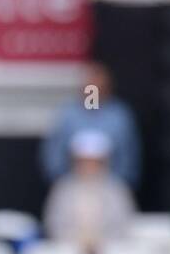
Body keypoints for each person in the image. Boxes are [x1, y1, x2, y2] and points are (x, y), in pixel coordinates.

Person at [40, 61, 142, 190]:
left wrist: (118, 185)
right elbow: (54, 155)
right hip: (72, 186)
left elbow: (128, 157)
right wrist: (63, 181)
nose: (93, 92)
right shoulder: (68, 115)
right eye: (90, 87)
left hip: (111, 187)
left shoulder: (119, 116)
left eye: (98, 87)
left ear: (107, 88)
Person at [41, 130, 135, 254]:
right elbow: (53, 223)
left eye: (94, 162)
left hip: (109, 252)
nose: (89, 166)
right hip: (68, 251)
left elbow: (124, 225)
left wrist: (100, 244)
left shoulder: (116, 190)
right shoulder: (63, 189)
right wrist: (76, 243)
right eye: (84, 161)